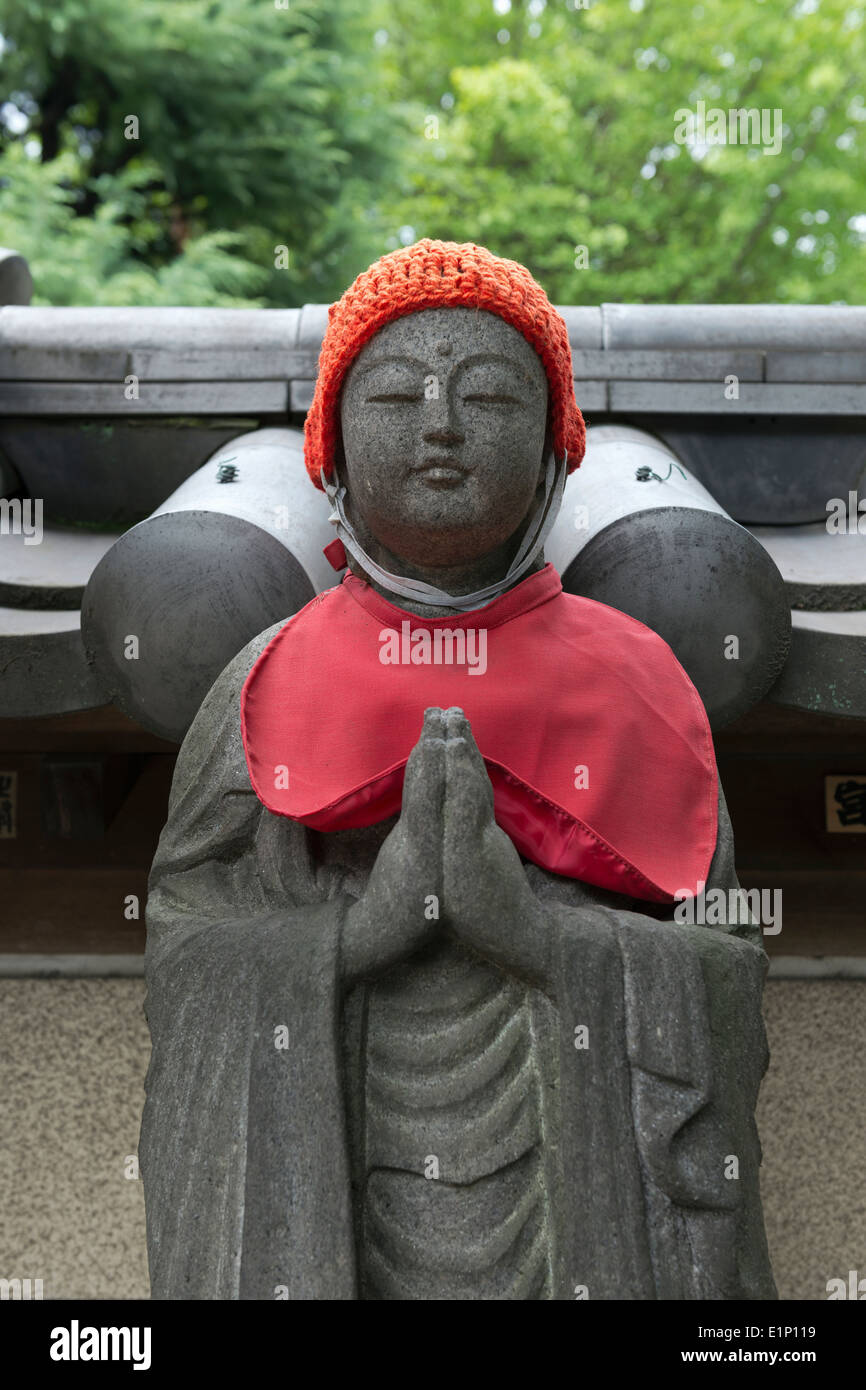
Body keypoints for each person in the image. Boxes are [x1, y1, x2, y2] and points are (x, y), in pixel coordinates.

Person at [139, 239, 776, 1300]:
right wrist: (358, 934)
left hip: (583, 1217)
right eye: (395, 395)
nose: (439, 425)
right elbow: (186, 952)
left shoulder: (639, 684)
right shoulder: (264, 685)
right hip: (331, 1200)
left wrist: (529, 934)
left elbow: (722, 968)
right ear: (331, 449)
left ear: (551, 452)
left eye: (485, 395)